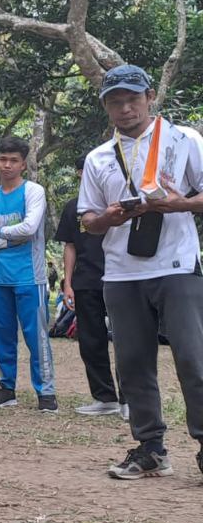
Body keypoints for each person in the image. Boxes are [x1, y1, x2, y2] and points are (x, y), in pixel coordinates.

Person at [77, 64, 203, 480]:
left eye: (132, 99)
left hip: (177, 265)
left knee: (193, 358)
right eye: (115, 102)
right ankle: (151, 449)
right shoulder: (98, 158)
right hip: (121, 272)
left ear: (150, 97)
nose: (125, 108)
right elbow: (88, 221)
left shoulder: (184, 140)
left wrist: (180, 204)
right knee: (132, 363)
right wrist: (108, 218)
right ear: (105, 106)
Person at [0, 137, 57, 412]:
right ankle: (6, 388)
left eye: (14, 160)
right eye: (2, 159)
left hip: (30, 277)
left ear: (23, 164)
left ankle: (46, 392)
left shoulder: (33, 191)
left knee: (36, 336)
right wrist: (10, 241)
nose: (7, 165)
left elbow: (30, 228)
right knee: (1, 335)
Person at [56, 157, 124, 418]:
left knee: (127, 340)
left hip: (121, 278)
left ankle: (129, 399)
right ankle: (105, 398)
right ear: (80, 173)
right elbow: (70, 246)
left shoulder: (122, 203)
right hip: (85, 281)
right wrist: (68, 283)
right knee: (90, 340)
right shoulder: (74, 207)